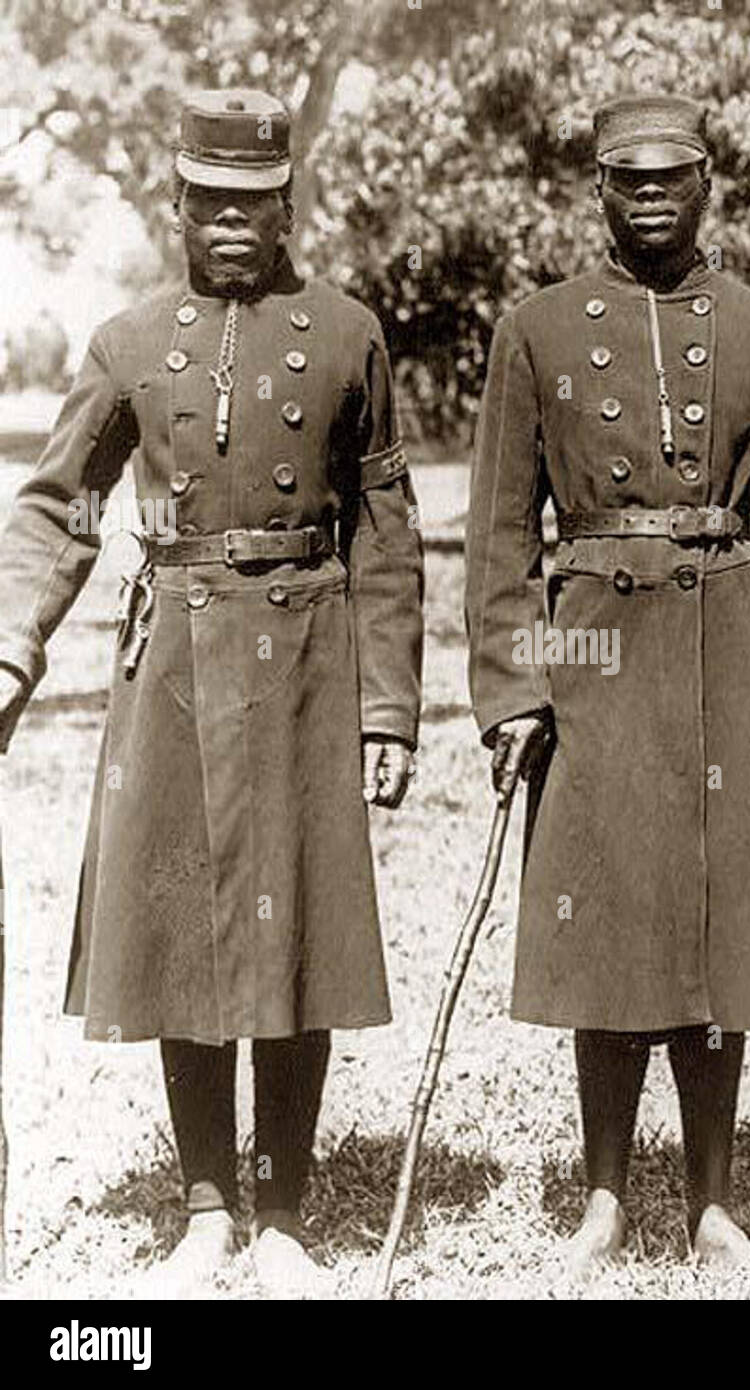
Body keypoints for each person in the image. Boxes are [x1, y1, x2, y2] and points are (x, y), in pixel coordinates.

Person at [0, 90, 424, 1296]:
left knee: (296, 928)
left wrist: (389, 706)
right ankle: (204, 1209)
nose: (232, 222)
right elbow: (60, 506)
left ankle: (282, 1207)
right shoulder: (129, 342)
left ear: (286, 206)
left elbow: (387, 528)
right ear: (177, 205)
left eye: (254, 203)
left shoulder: (347, 332)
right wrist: (10, 642)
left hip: (305, 658)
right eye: (210, 202)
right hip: (174, 665)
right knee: (184, 925)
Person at [464, 94, 750, 1275]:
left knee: (721, 923)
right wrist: (513, 690)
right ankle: (601, 1198)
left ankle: (714, 1204)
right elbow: (493, 529)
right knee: (604, 924)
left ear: (704, 185)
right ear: (596, 191)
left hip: (722, 647)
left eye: (668, 178)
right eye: (624, 180)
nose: (647, 197)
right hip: (588, 651)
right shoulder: (533, 329)